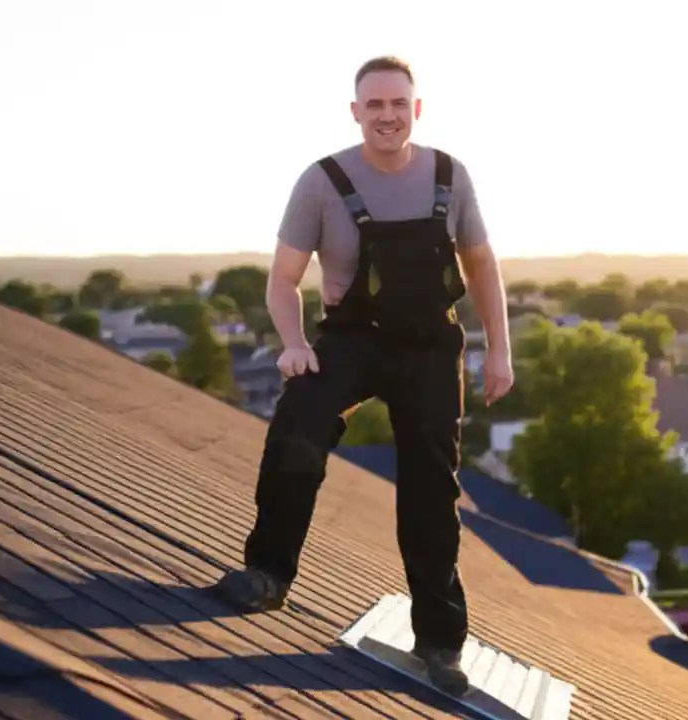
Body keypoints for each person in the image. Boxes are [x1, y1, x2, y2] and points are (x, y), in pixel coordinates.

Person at [213, 56, 513, 697]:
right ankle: (266, 575)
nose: (387, 115)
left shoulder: (448, 175)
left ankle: (438, 640)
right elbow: (283, 280)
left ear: (416, 109)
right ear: (356, 112)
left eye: (398, 104)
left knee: (432, 488)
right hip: (351, 340)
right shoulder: (322, 181)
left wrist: (500, 353)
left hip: (430, 347)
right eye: (374, 105)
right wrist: (293, 344)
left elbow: (483, 267)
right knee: (299, 426)